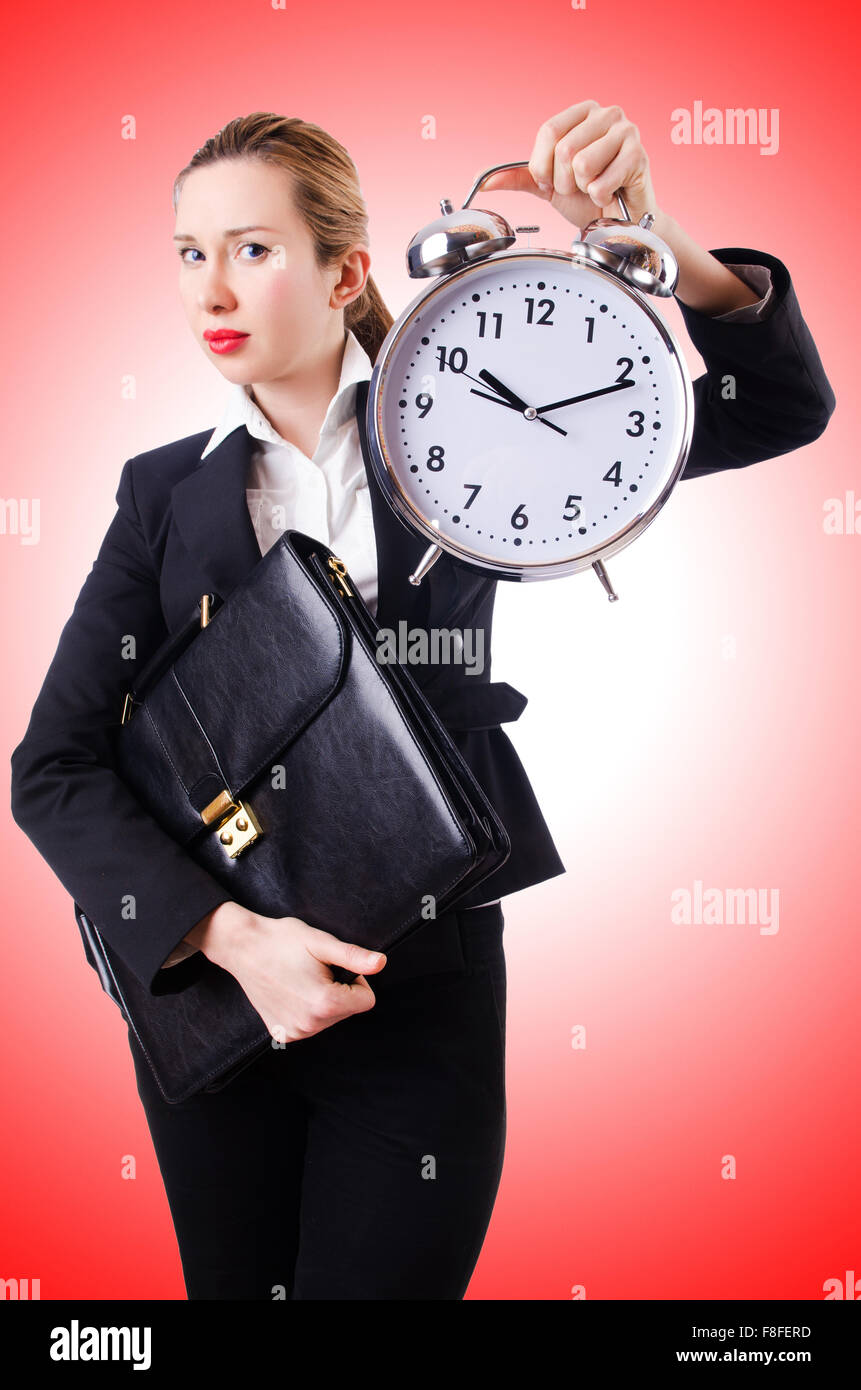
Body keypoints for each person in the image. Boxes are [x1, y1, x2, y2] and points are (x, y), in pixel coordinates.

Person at [10, 102, 836, 1300]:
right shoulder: (161, 496)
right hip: (222, 1001)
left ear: (345, 270)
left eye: (252, 249)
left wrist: (648, 233)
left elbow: (779, 407)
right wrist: (235, 944)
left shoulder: (465, 424)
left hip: (423, 987)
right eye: (191, 254)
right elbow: (54, 767)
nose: (212, 291)